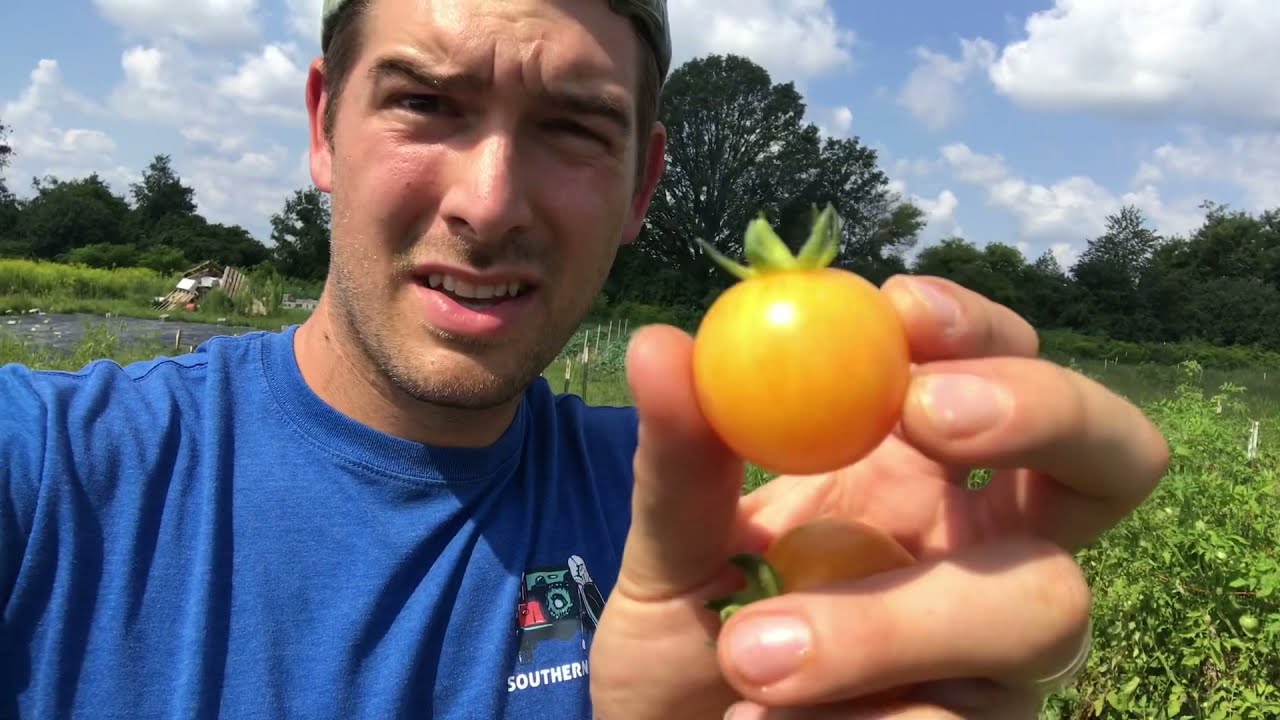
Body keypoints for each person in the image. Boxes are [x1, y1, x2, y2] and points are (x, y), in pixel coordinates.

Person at [0, 0, 1170, 717]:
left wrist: (860, 611)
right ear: (321, 127)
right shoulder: (46, 471)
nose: (489, 201)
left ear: (641, 187)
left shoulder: (714, 541)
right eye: (424, 101)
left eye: (571, 127)